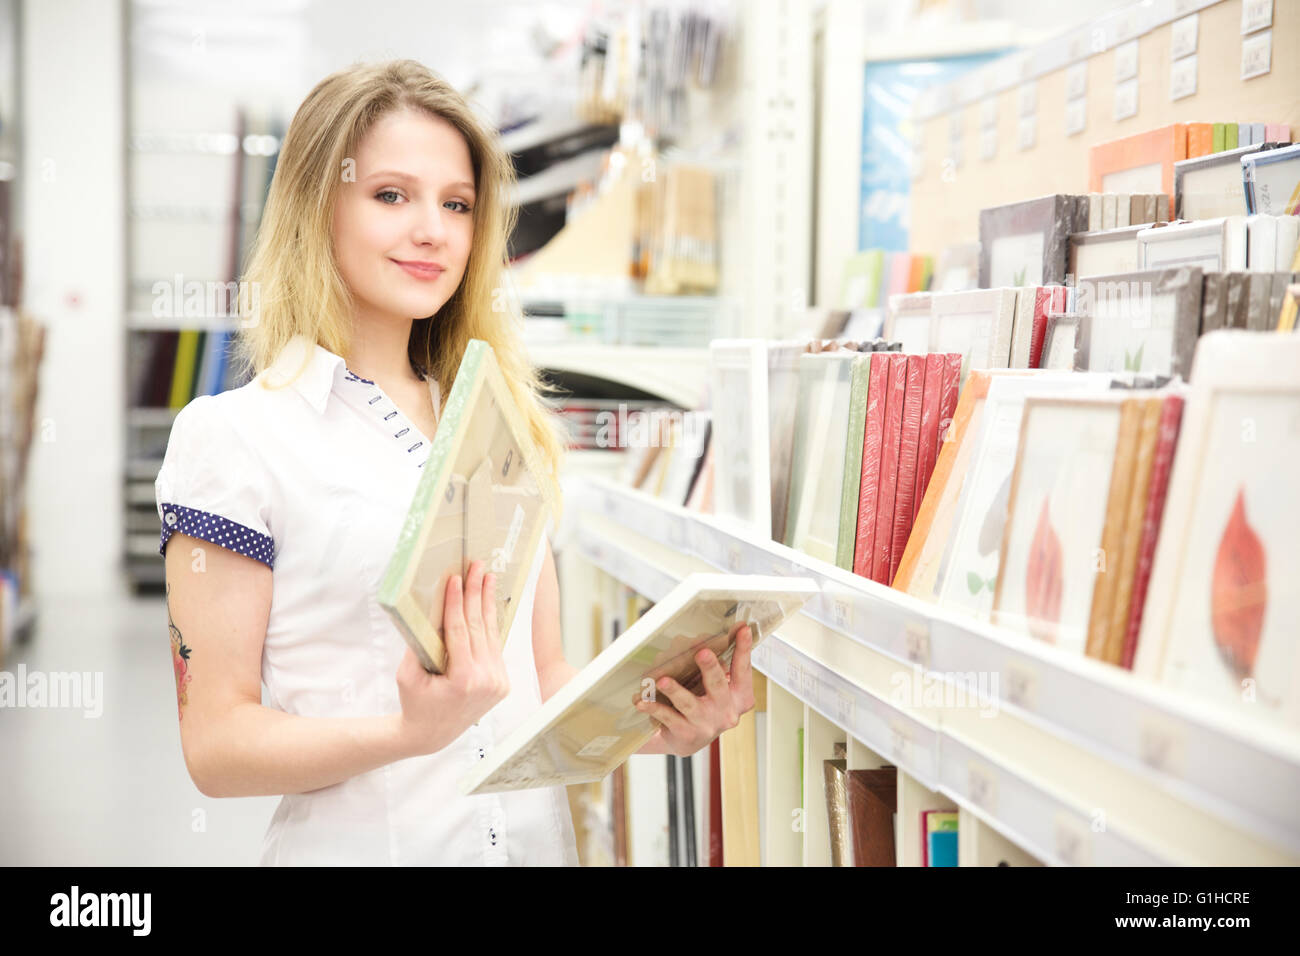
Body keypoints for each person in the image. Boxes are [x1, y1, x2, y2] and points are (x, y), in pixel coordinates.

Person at [154, 59, 756, 866]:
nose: (433, 229)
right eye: (391, 195)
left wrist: (663, 715)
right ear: (314, 204)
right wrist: (408, 735)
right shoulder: (233, 438)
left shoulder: (500, 422)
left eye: (458, 204)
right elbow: (217, 745)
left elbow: (542, 685)